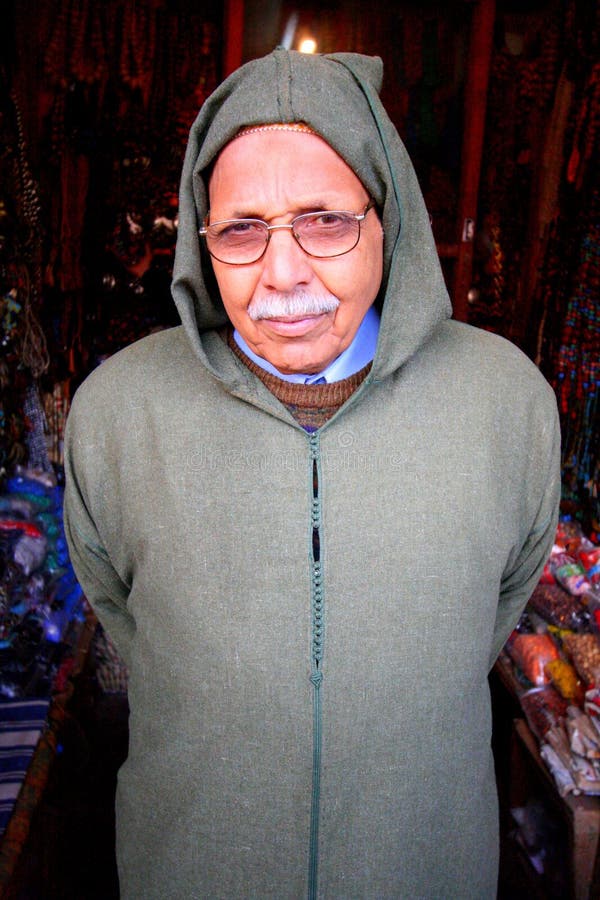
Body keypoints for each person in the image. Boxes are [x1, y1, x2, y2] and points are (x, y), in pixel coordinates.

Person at [63, 49, 561, 899]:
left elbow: (498, 598)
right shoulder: (117, 413)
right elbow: (120, 608)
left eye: (326, 220)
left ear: (386, 217)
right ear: (200, 237)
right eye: (242, 229)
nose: (283, 274)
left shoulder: (503, 401)